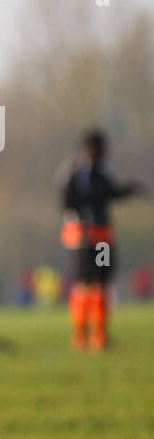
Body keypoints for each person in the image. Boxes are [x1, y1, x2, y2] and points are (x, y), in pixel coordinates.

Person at [60, 129, 145, 349]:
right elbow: (68, 202)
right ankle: (81, 334)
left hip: (102, 237)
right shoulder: (76, 172)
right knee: (84, 283)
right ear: (93, 148)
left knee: (100, 283)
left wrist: (130, 191)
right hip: (84, 236)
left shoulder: (101, 172)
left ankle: (99, 334)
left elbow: (111, 193)